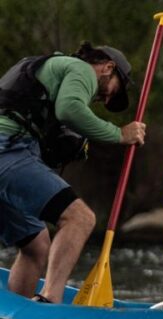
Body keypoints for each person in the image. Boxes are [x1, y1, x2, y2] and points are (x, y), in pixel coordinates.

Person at [0, 41, 146, 303]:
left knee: (36, 244)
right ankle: (49, 302)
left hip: (13, 150)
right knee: (80, 218)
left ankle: (18, 315)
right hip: (7, 150)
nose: (107, 99)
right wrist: (119, 134)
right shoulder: (81, 69)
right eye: (115, 90)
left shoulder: (51, 68)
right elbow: (69, 109)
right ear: (107, 68)